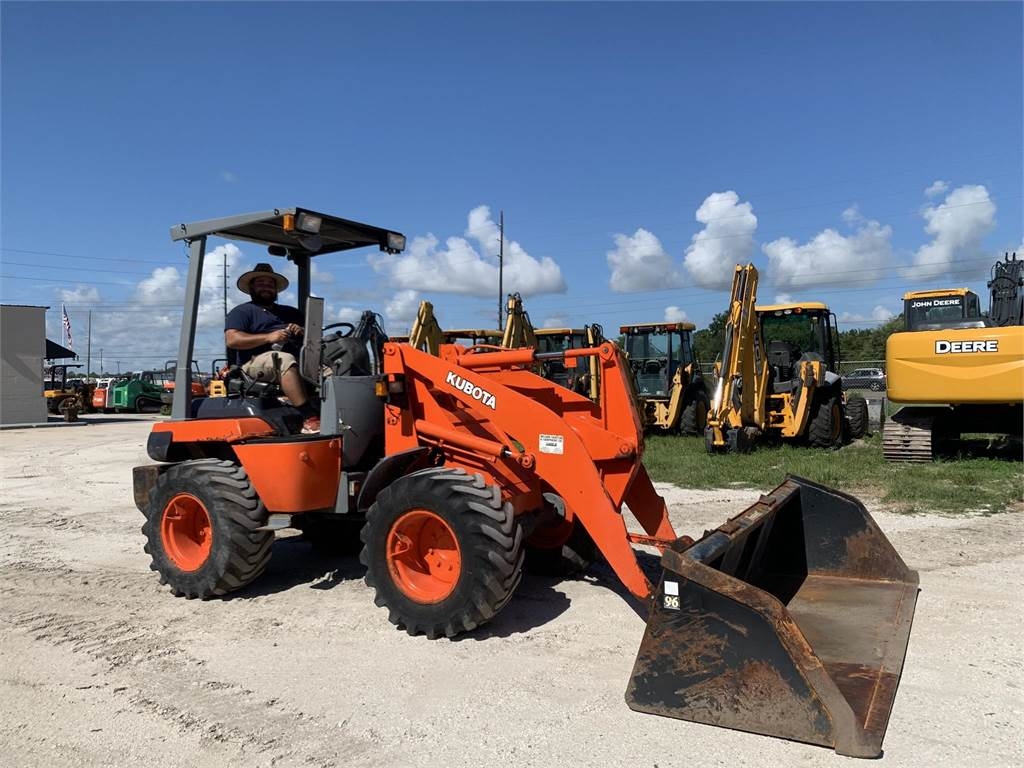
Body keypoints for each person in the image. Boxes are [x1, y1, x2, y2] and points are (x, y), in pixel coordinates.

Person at [225, 263, 319, 433]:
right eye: (261, 283)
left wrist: (302, 332)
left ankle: (343, 410)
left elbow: (314, 337)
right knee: (285, 360)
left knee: (337, 361)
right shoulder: (242, 312)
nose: (266, 287)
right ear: (252, 287)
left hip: (299, 358)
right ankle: (308, 417)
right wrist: (268, 337)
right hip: (254, 363)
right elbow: (232, 340)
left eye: (270, 284)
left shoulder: (292, 312)